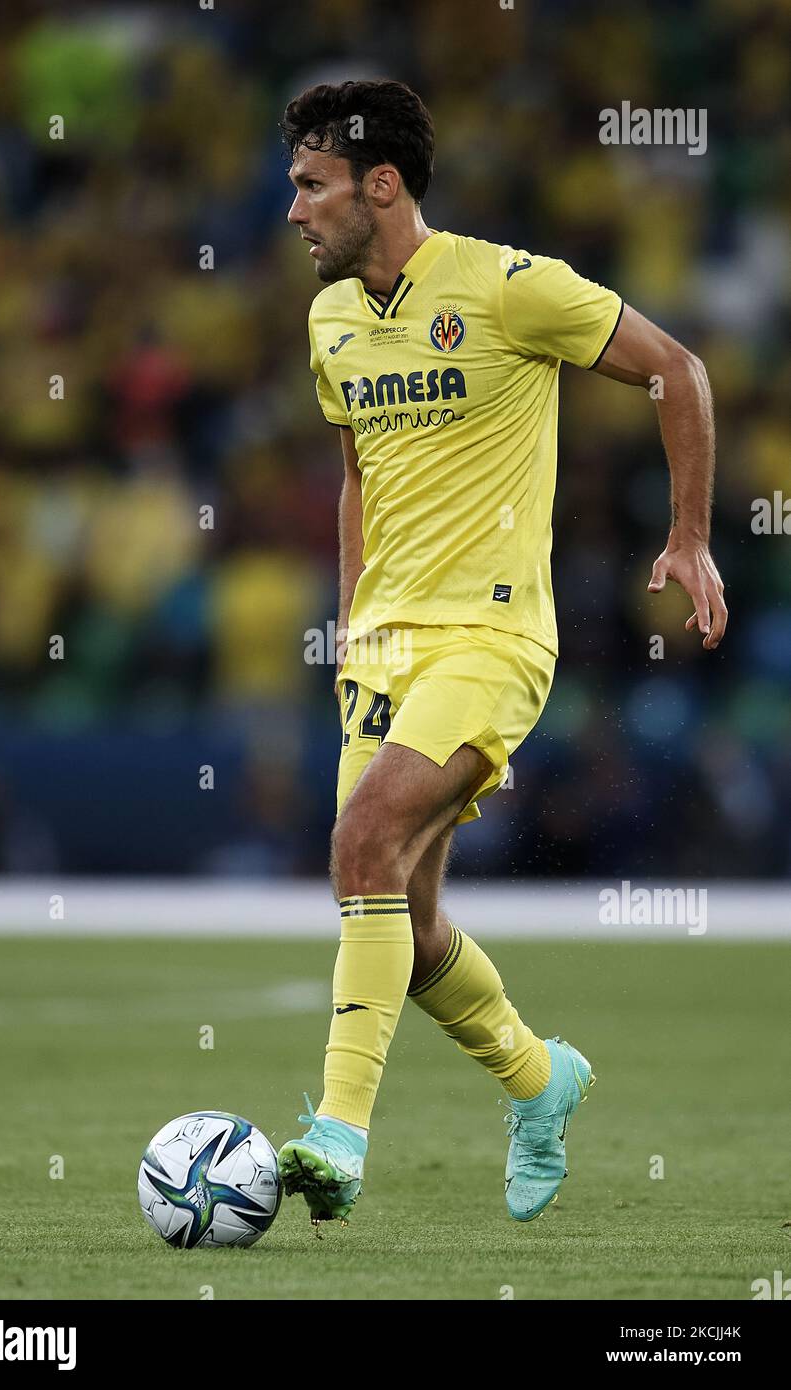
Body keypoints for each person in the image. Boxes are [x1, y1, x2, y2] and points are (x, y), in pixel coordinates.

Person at [276, 79, 727, 1227]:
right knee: (409, 925)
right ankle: (541, 1081)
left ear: (379, 185)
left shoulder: (507, 286)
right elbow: (356, 478)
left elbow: (678, 369)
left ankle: (333, 1134)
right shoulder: (329, 322)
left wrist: (685, 538)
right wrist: (349, 624)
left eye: (310, 185)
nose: (294, 210)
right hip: (381, 652)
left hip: (492, 638)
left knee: (361, 839)